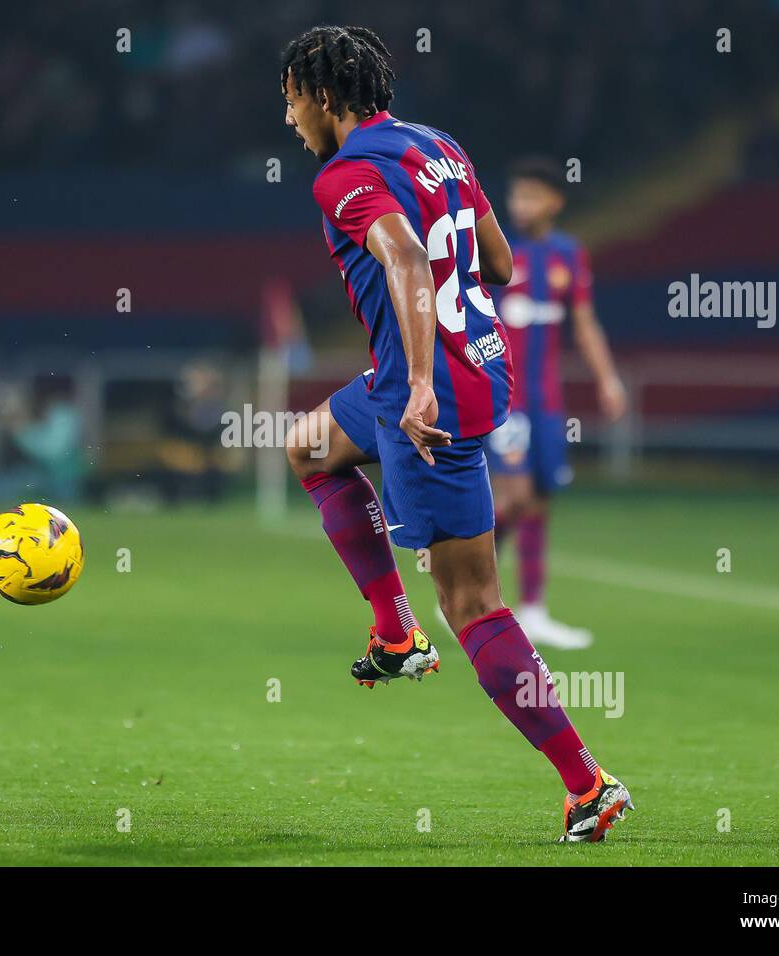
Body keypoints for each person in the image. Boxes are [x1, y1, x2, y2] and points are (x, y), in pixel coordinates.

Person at [280, 25, 632, 842]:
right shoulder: (438, 146)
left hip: (426, 393)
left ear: (325, 98)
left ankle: (588, 784)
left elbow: (405, 259)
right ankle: (394, 628)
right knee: (306, 446)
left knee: (473, 603)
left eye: (292, 98)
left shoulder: (343, 177)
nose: (289, 117)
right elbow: (501, 265)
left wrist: (420, 385)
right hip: (470, 365)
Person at [481, 157, 628, 649]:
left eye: (530, 196)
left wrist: (607, 378)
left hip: (547, 400)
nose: (519, 205)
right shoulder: (494, 252)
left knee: (540, 498)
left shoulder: (569, 254)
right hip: (504, 397)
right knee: (515, 497)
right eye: (515, 196)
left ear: (554, 202)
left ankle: (533, 609)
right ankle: (469, 586)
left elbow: (584, 323)